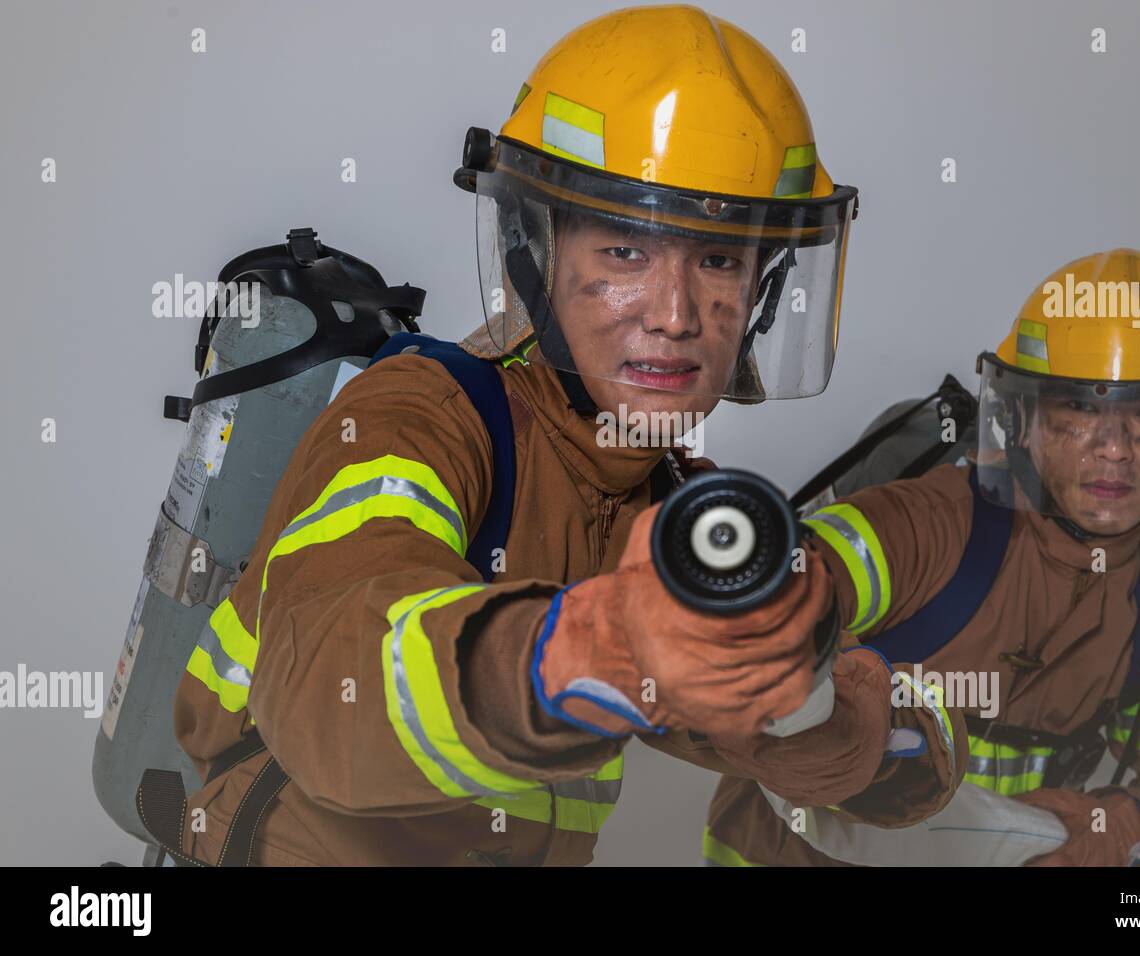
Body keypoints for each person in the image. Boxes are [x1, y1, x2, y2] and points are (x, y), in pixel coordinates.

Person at [164, 4, 965, 867]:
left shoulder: (673, 506)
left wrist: (861, 725)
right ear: (535, 253)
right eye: (626, 251)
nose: (677, 314)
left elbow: (804, 731)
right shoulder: (419, 416)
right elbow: (342, 675)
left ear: (765, 291)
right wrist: (595, 648)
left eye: (721, 259)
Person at [702, 248, 1140, 867]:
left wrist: (1125, 822)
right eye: (1080, 407)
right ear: (1023, 420)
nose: (1114, 450)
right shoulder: (928, 524)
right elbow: (773, 595)